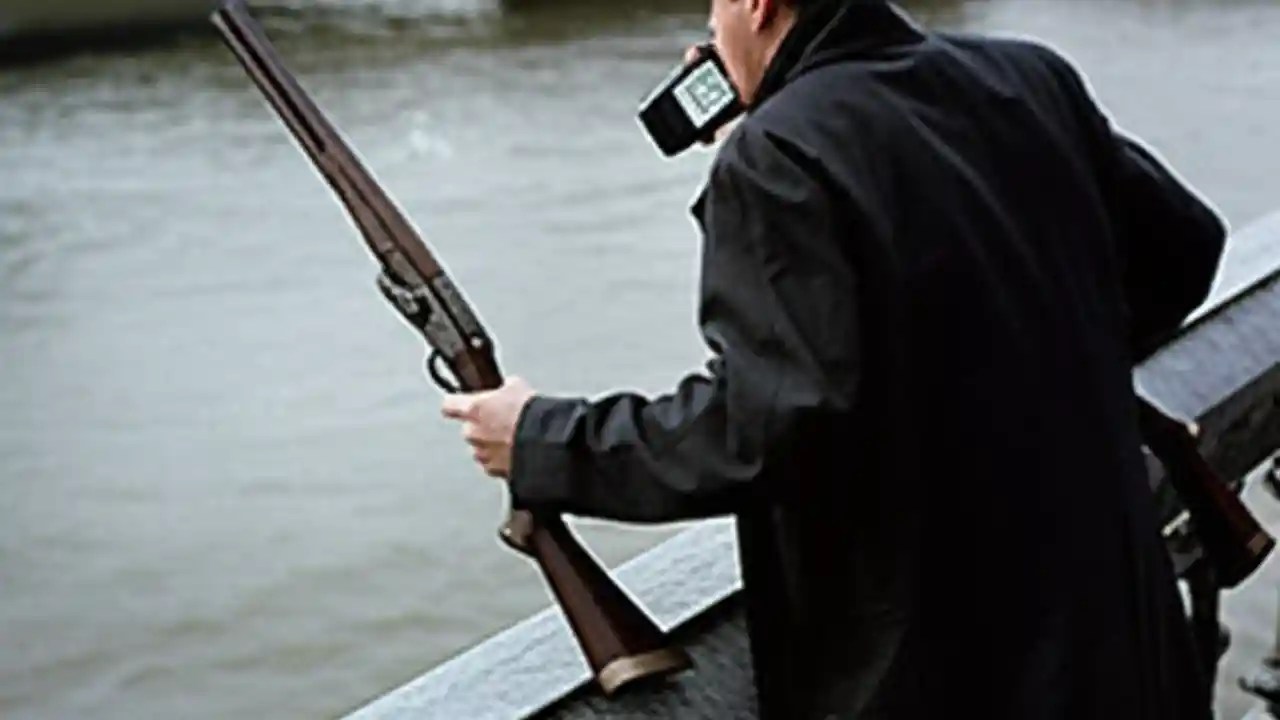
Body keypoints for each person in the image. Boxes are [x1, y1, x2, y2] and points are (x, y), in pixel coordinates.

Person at [439, 0, 1228, 717]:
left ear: (757, 4)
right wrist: (1035, 361)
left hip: (947, 679)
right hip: (1124, 648)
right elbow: (1185, 249)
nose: (711, 29)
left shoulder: (779, 153)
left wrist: (540, 440)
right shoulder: (1026, 75)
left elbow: (765, 429)